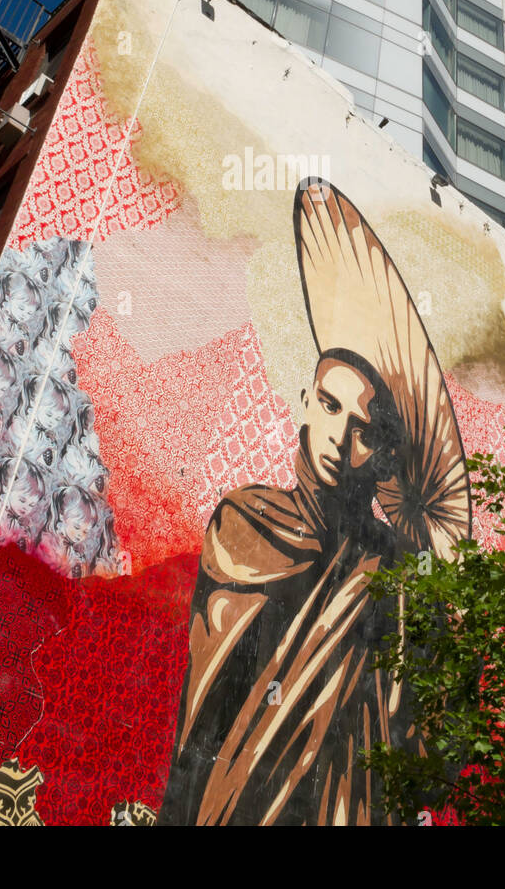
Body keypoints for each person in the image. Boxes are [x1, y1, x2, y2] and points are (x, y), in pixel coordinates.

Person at [157, 179, 471, 826]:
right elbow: (205, 713)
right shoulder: (246, 521)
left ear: (382, 452)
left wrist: (449, 624)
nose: (339, 436)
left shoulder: (402, 576)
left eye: (362, 427)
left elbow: (432, 762)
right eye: (328, 405)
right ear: (304, 403)